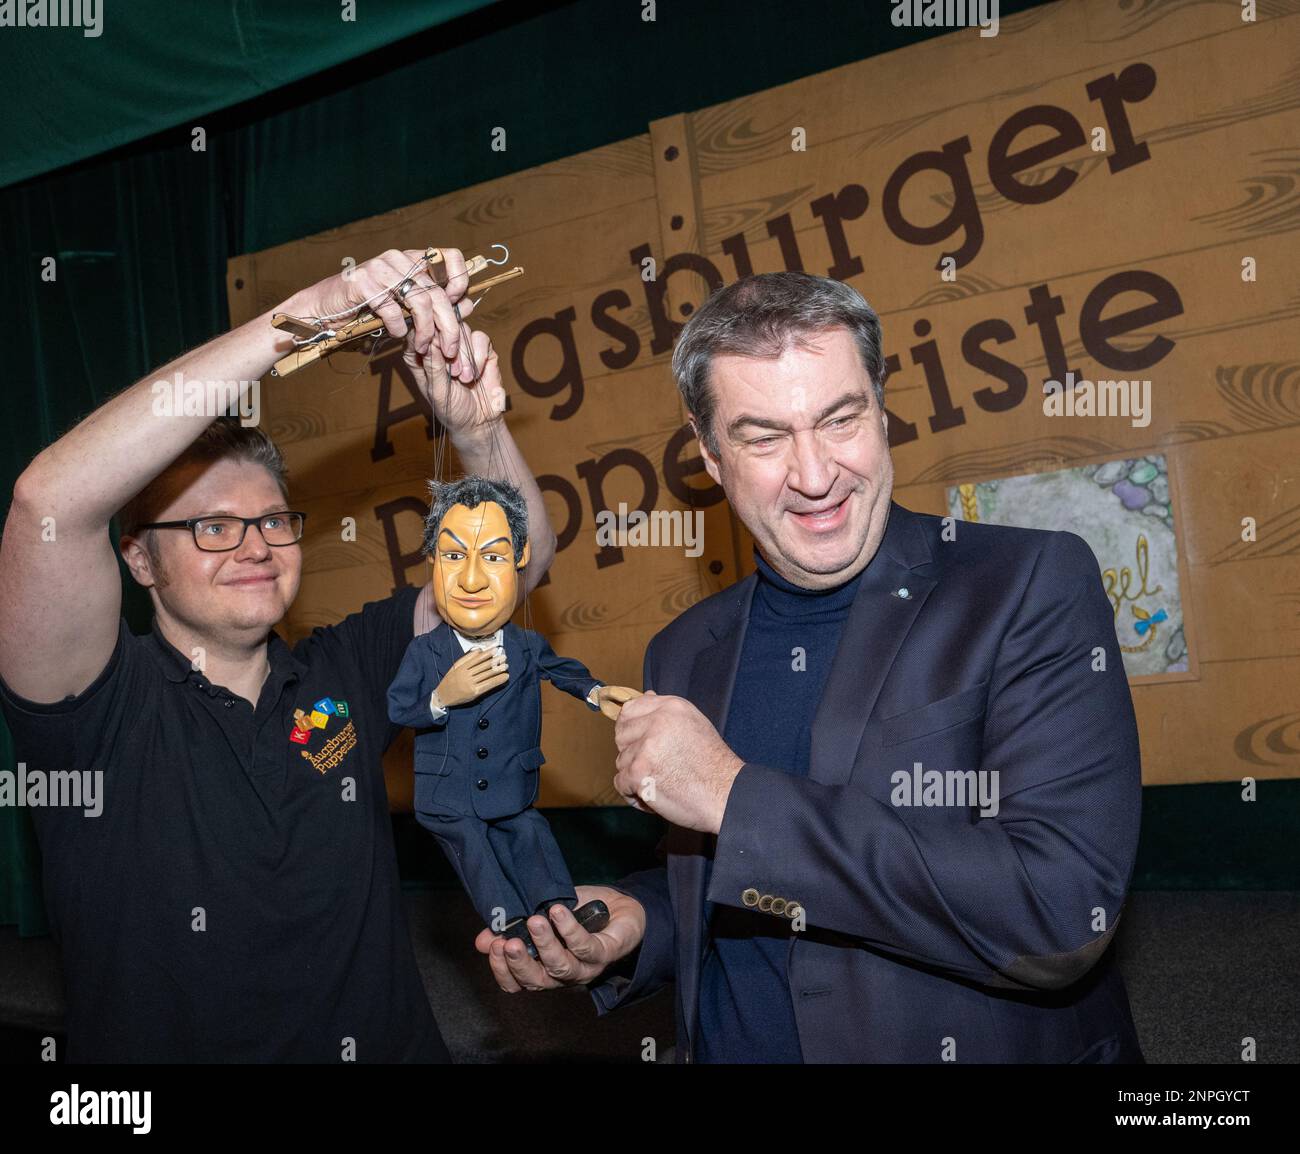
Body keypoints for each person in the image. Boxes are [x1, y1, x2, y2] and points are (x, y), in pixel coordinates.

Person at [477, 271, 1146, 1064]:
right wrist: (639, 922)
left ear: (883, 407)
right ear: (710, 453)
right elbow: (733, 883)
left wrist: (732, 794)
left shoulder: (1028, 585)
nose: (816, 474)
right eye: (763, 437)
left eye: (840, 419)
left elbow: (1061, 914)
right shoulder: (683, 650)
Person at [0, 247, 555, 1062]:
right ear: (139, 559)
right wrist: (302, 319)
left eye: (273, 520)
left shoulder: (346, 671)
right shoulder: (95, 709)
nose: (256, 546)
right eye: (212, 528)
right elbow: (48, 501)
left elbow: (519, 567)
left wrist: (477, 432)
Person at [386, 475, 637, 953]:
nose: (473, 579)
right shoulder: (424, 652)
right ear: (433, 561)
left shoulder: (525, 645)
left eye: (494, 556)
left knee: (530, 833)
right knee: (475, 848)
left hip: (509, 783)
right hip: (448, 795)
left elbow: (562, 672)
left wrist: (596, 692)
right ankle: (511, 920)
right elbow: (399, 707)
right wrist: (442, 696)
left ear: (521, 559)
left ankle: (562, 909)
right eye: (454, 555)